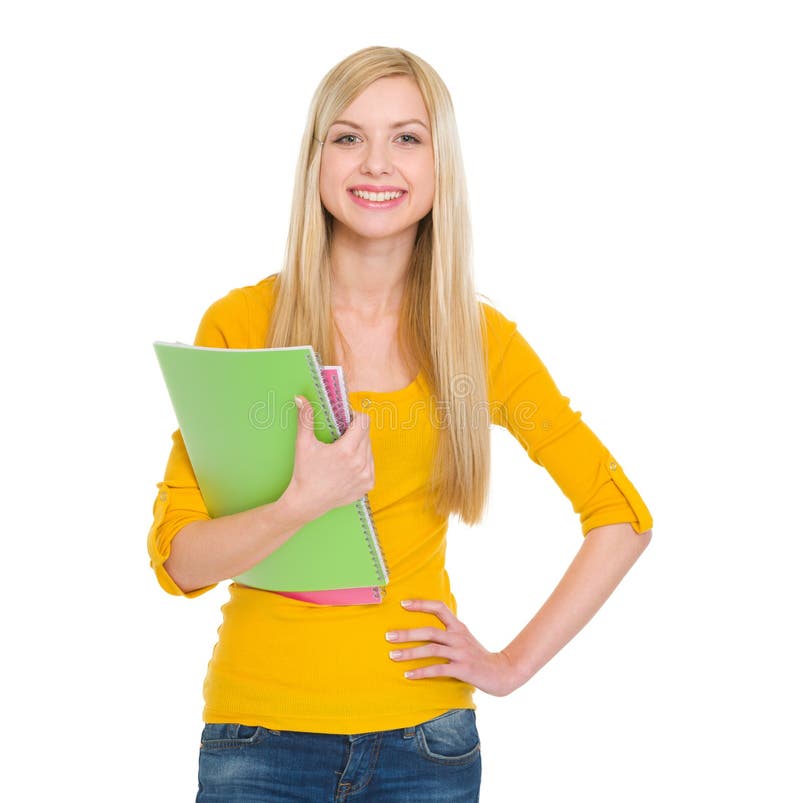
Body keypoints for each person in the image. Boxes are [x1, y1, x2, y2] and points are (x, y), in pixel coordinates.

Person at [147, 45, 653, 802]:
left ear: (439, 165)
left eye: (407, 138)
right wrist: (302, 501)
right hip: (258, 743)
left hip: (427, 748)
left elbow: (620, 515)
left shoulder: (479, 342)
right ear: (315, 162)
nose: (374, 162)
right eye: (348, 137)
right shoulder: (244, 323)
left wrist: (508, 665)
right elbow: (180, 560)